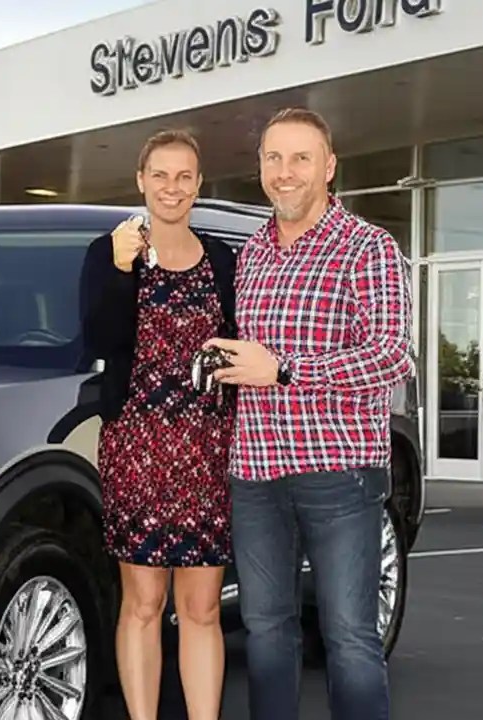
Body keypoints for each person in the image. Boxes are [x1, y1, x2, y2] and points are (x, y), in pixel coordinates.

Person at [204, 107, 414, 720]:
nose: (285, 171)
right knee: (266, 631)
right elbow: (250, 359)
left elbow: (391, 355)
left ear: (328, 167)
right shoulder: (252, 255)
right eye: (273, 158)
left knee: (349, 637)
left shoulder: (368, 248)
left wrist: (285, 369)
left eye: (300, 158)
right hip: (255, 473)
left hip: (339, 474)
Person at [80, 128, 238, 720]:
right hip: (137, 447)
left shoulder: (222, 260)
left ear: (198, 184)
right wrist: (122, 268)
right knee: (143, 603)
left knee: (202, 607)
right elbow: (100, 341)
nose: (172, 187)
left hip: (206, 450)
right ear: (141, 181)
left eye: (184, 176)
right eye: (161, 175)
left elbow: (240, 347)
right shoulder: (109, 252)